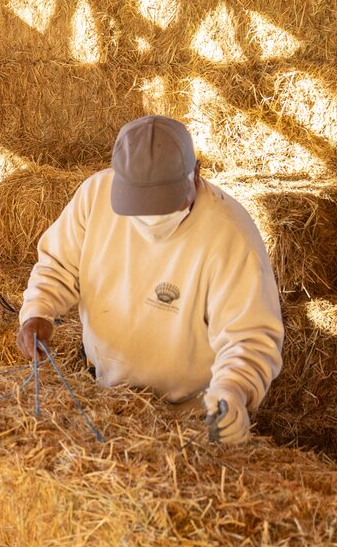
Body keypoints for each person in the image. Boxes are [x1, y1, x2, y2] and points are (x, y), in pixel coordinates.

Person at [14, 115, 283, 445]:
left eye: (163, 206)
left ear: (196, 174)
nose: (149, 221)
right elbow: (58, 264)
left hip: (187, 419)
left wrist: (231, 393)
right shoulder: (94, 196)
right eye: (138, 208)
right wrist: (37, 311)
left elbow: (249, 337)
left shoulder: (230, 236)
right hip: (107, 399)